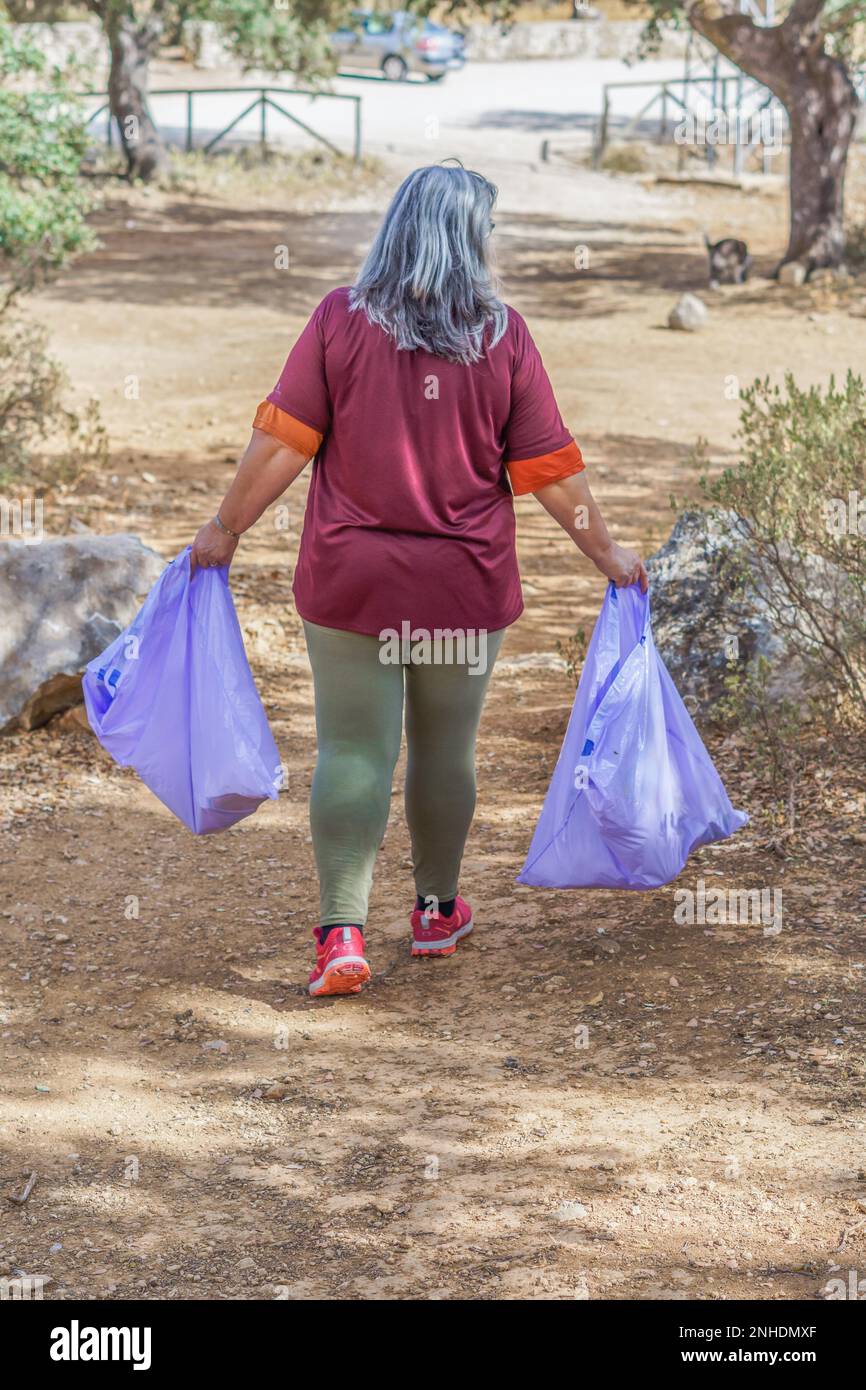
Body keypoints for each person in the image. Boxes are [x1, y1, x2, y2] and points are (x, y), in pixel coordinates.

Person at [190, 164, 647, 998]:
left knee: (354, 748)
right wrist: (607, 555)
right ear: (473, 238)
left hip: (352, 583)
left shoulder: (339, 320)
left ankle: (340, 933)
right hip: (461, 587)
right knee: (446, 748)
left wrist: (225, 530)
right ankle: (436, 912)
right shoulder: (503, 335)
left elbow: (285, 443)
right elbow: (550, 472)